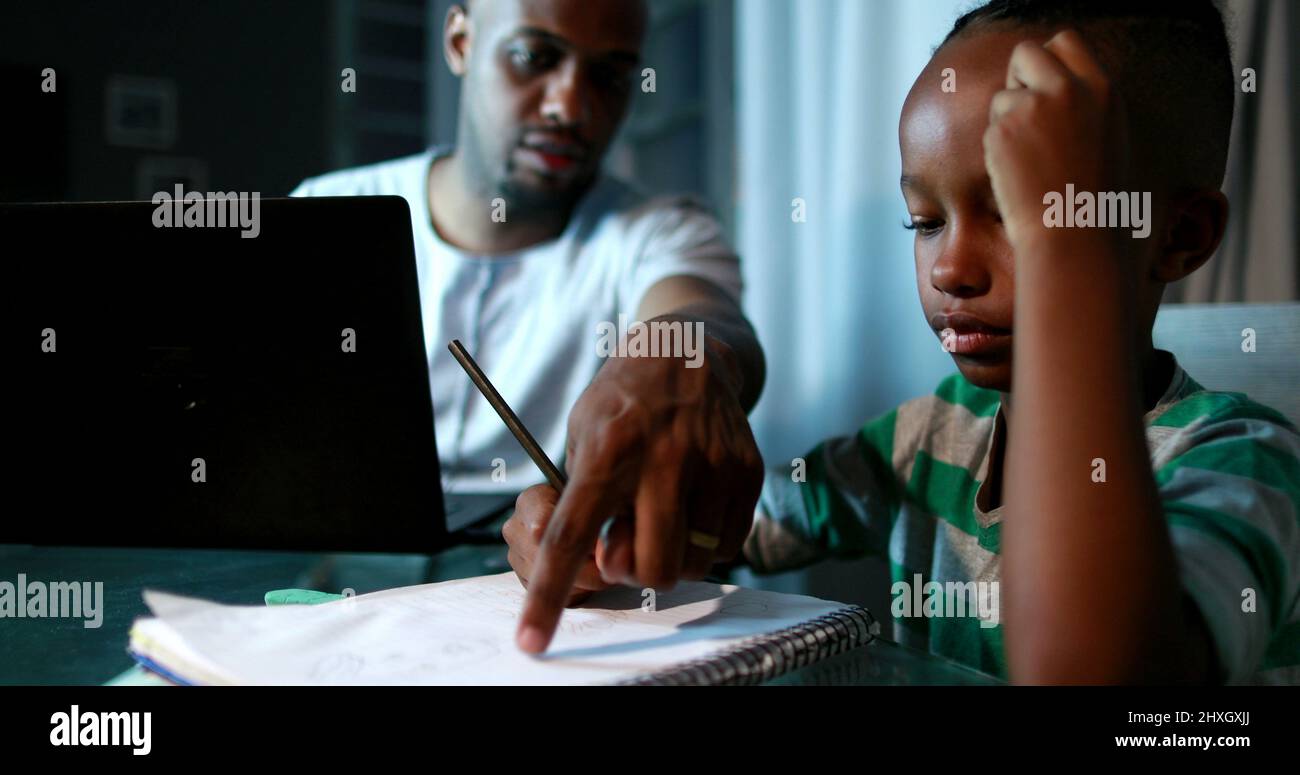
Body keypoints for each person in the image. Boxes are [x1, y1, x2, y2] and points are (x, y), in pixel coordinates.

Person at [508, 0, 1300, 682]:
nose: (950, 266)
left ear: (1181, 235)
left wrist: (1069, 262)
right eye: (923, 222)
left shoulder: (1243, 462)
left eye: (1022, 214)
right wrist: (602, 526)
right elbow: (723, 523)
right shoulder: (928, 438)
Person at [293, 0, 766, 654]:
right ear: (460, 42)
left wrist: (688, 353)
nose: (569, 107)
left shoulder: (665, 230)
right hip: (331, 581)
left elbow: (702, 313)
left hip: (549, 592)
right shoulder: (326, 213)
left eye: (610, 75)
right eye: (534, 58)